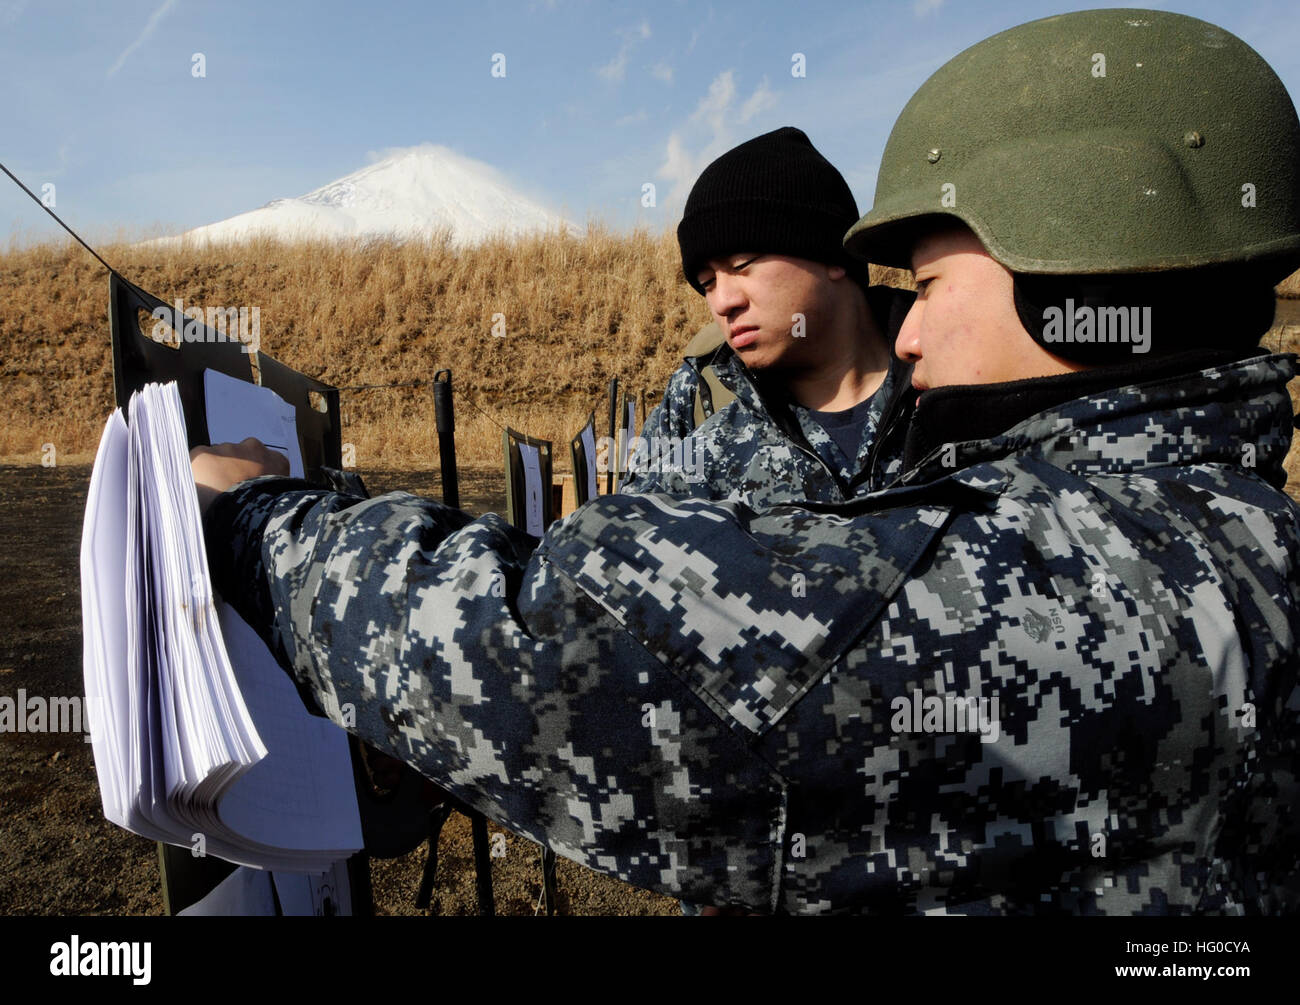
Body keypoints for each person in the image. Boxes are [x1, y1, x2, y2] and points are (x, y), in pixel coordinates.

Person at [193, 8, 1300, 913]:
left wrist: (259, 518)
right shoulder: (1227, 523)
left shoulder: (1082, 569)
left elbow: (567, 655)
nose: (912, 332)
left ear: (1078, 271)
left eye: (935, 283)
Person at [620, 127, 915, 507]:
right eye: (707, 283)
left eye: (743, 264)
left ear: (830, 256)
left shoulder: (960, 379)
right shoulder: (702, 400)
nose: (723, 302)